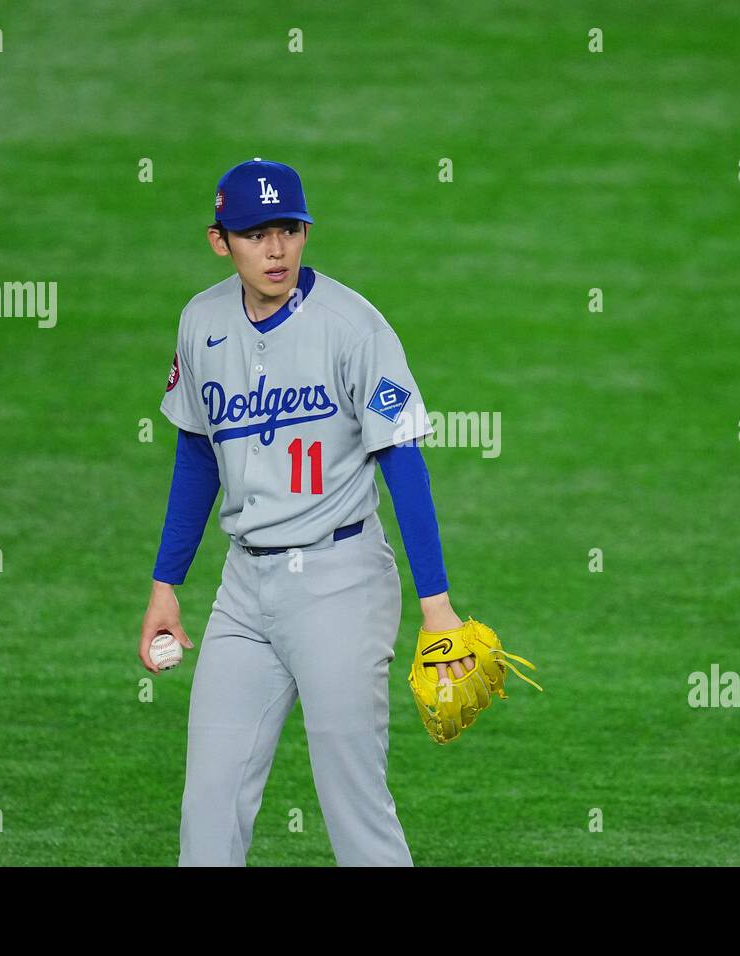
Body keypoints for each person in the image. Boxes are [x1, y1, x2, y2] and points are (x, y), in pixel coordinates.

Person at [137, 158, 478, 866]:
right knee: (207, 808)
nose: (276, 250)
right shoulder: (200, 323)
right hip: (242, 592)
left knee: (354, 811)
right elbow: (197, 454)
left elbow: (402, 460)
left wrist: (437, 607)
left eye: (288, 230)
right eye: (255, 234)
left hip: (341, 584)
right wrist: (166, 586)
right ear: (219, 241)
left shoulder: (354, 327)